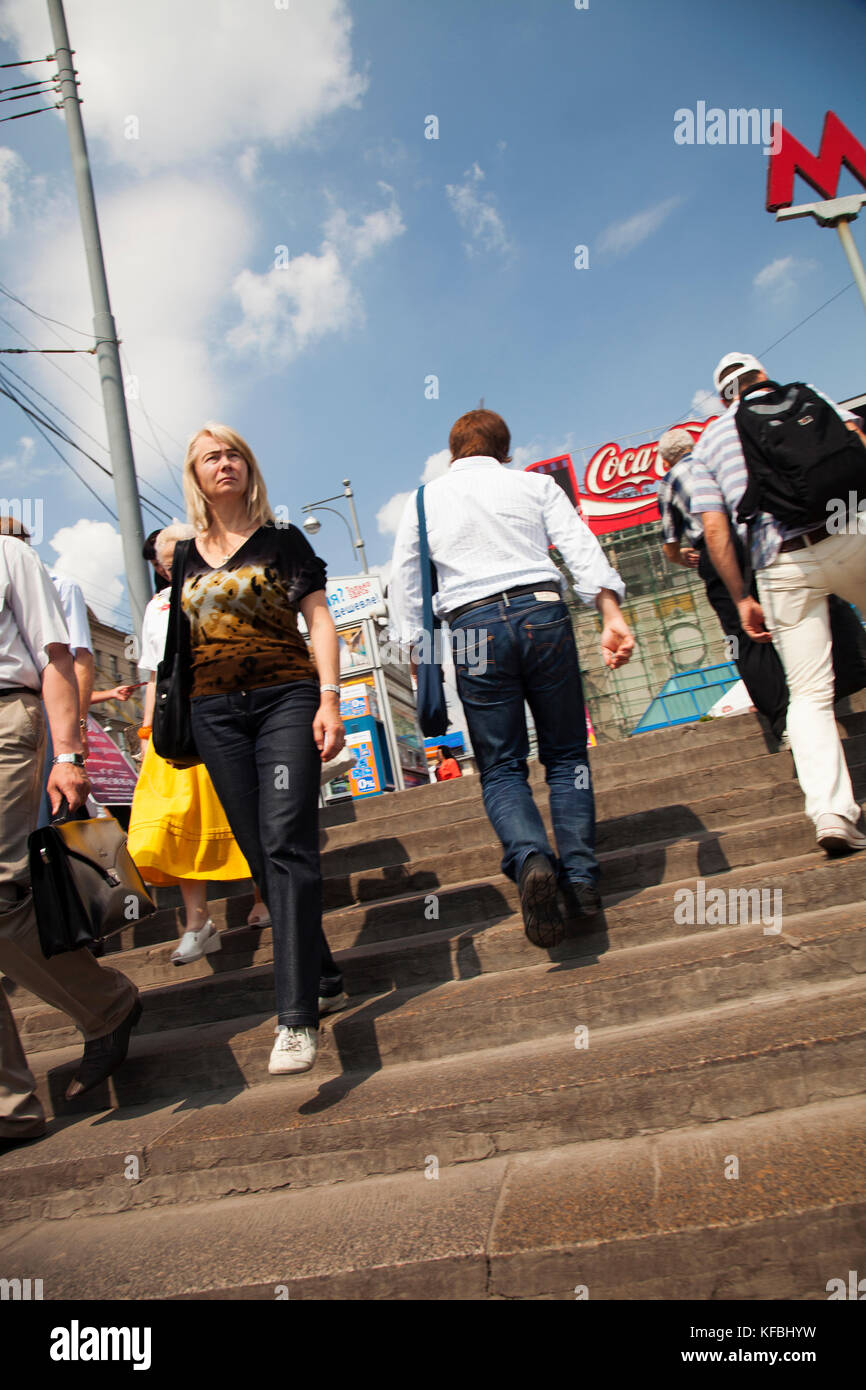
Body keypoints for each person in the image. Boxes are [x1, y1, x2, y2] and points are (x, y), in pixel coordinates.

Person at [389, 408, 634, 949]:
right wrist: (611, 613)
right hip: (543, 612)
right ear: (504, 450)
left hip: (473, 628)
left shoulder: (424, 501)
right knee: (567, 755)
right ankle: (582, 878)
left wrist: (414, 654)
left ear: (453, 452)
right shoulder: (534, 485)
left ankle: (529, 859)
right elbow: (579, 546)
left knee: (500, 766)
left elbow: (405, 582)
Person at [177, 423, 346, 1075]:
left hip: (286, 698)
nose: (225, 464)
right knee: (257, 852)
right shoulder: (184, 555)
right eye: (211, 458)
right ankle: (325, 972)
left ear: (249, 468)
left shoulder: (283, 541)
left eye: (234, 455)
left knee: (287, 842)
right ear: (195, 476)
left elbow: (320, 619)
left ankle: (298, 1019)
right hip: (214, 713)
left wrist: (329, 698)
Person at [690, 353, 866, 856]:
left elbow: (716, 529)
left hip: (782, 563)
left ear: (725, 395)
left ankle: (832, 812)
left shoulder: (709, 442)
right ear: (761, 376)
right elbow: (857, 444)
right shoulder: (804, 394)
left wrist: (743, 595)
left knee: (808, 693)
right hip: (853, 528)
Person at [0, 533, 141, 1147]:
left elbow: (57, 657)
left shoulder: (9, 554)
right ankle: (10, 1109)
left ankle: (106, 1002)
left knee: (3, 893)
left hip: (8, 718)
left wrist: (67, 752)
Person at [127, 523, 267, 966]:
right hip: (179, 728)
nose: (167, 568)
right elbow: (152, 675)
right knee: (175, 815)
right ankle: (197, 922)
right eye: (162, 563)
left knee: (244, 807)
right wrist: (148, 732)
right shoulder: (157, 607)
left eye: (174, 559)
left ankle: (265, 897)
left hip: (228, 714)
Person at [657, 427, 789, 744]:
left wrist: (681, 557)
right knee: (779, 619)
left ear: (665, 460)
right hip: (753, 542)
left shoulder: (670, 481)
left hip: (715, 554)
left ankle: (782, 719)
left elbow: (669, 541)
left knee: (741, 636)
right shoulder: (713, 464)